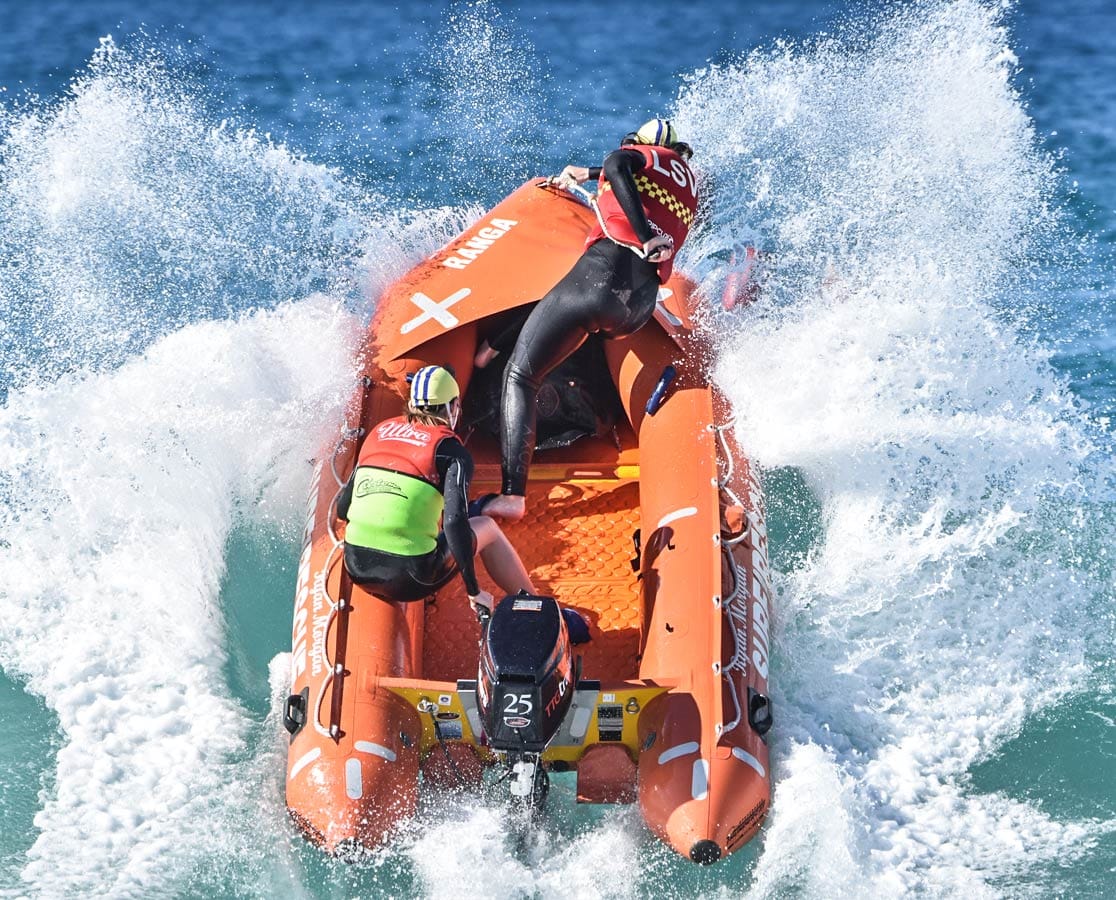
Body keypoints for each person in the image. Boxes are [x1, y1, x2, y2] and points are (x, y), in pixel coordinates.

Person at [477, 118, 699, 521]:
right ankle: (498, 350)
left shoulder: (632, 157)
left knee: (521, 376)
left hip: (599, 281)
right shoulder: (686, 186)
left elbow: (618, 164)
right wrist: (588, 174)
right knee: (569, 320)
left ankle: (512, 495)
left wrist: (644, 234)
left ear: (639, 144)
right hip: (636, 308)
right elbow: (635, 176)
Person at [337, 365, 536, 611]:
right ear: (453, 406)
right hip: (411, 579)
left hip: (356, 569)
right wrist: (474, 592)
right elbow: (454, 525)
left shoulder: (379, 431)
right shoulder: (453, 453)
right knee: (487, 527)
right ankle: (534, 601)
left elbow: (342, 508)